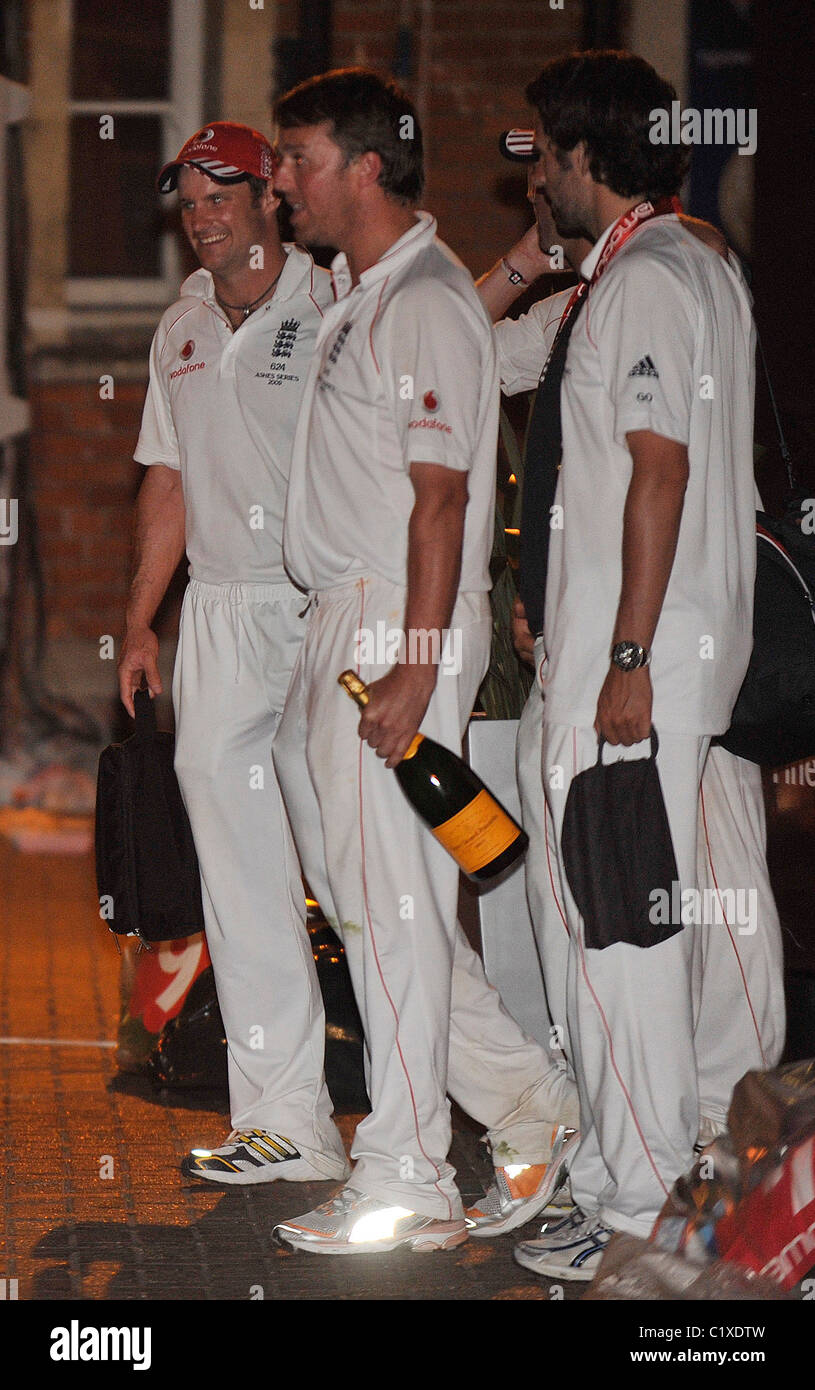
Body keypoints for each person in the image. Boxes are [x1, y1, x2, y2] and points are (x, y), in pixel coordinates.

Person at [472, 52, 784, 1280]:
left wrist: (624, 656)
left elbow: (657, 471)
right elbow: (469, 342)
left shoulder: (647, 280)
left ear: (583, 155)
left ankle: (630, 1199)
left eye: (540, 156)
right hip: (672, 658)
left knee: (609, 933)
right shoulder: (674, 269)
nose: (529, 180)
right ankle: (682, 1162)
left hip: (634, 662)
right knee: (671, 921)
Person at [268, 68, 579, 1256]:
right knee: (373, 908)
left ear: (361, 167)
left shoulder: (420, 302)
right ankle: (527, 1101)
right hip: (342, 619)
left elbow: (442, 499)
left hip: (389, 621)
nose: (280, 183)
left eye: (296, 159)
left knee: (390, 911)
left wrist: (408, 663)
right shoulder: (369, 293)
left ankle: (404, 1172)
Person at [117, 121, 351, 1186]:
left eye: (223, 195)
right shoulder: (180, 327)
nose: (202, 216)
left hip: (314, 605)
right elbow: (163, 482)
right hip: (212, 611)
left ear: (271, 198)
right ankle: (285, 1122)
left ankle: (480, 1098)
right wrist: (137, 621)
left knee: (353, 867)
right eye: (189, 201)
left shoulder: (337, 298)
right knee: (240, 879)